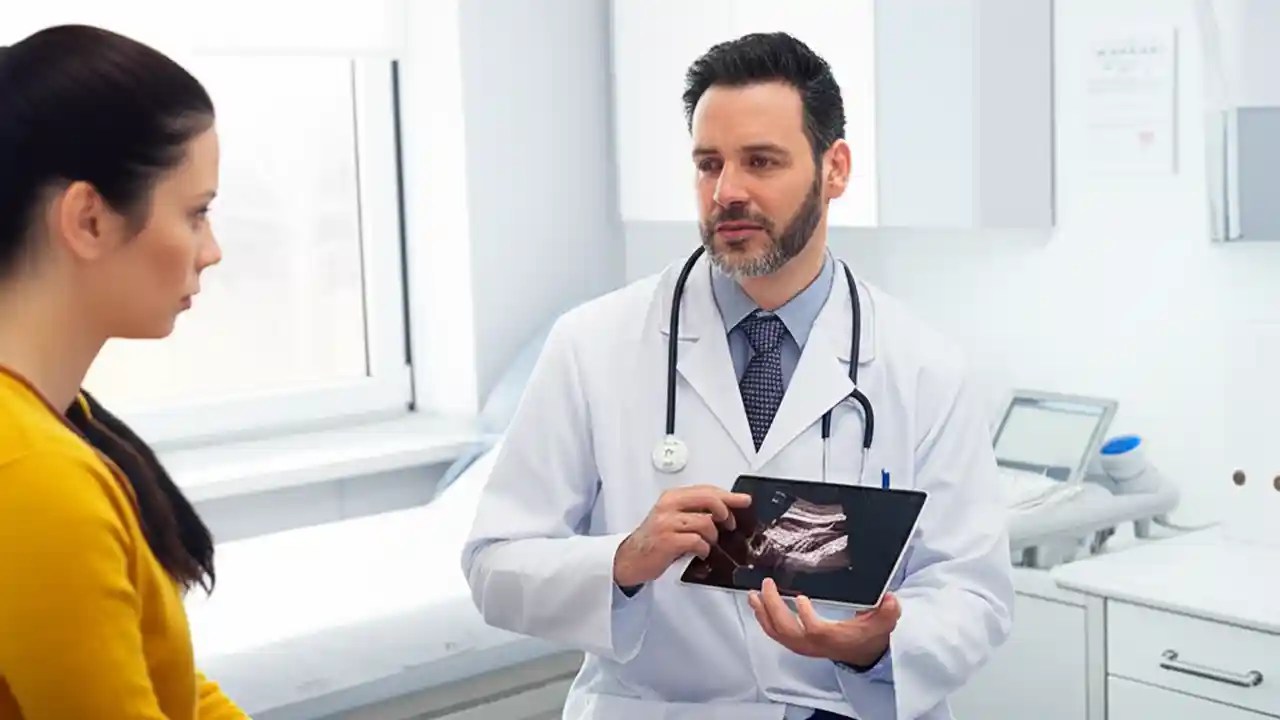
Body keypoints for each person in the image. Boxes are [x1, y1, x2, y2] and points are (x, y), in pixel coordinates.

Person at [461, 32, 1013, 720]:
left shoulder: (923, 366)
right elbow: (493, 566)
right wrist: (623, 560)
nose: (727, 192)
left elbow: (974, 591)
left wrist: (872, 646)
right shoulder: (592, 345)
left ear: (835, 169)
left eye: (761, 162)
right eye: (709, 164)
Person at [0, 25, 246, 719]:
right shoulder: (33, 475)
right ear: (89, 220)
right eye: (195, 214)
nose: (212, 250)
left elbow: (174, 687)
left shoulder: (60, 420)